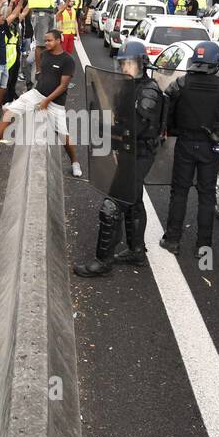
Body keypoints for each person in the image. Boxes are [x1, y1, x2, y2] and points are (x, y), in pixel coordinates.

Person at [74, 39, 165, 277]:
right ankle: (136, 252)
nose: (125, 68)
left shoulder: (149, 91)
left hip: (141, 153)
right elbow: (117, 116)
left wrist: (116, 130)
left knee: (111, 206)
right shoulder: (127, 86)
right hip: (127, 151)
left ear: (141, 64)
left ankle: (102, 262)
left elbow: (138, 127)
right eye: (123, 63)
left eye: (130, 63)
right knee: (133, 202)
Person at [159, 41, 219, 257]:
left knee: (179, 192)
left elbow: (166, 118)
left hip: (185, 144)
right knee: (207, 196)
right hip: (211, 147)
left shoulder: (179, 84)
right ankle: (203, 246)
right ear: (216, 63)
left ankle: (172, 240)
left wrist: (176, 131)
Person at [0, 29, 80, 175]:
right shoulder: (44, 54)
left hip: (55, 102)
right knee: (9, 112)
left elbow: (63, 86)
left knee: (63, 134)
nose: (46, 43)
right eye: (45, 40)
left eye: (49, 40)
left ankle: (75, 162)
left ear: (58, 40)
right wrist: (38, 78)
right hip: (36, 94)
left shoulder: (68, 60)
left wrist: (46, 101)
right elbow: (41, 70)